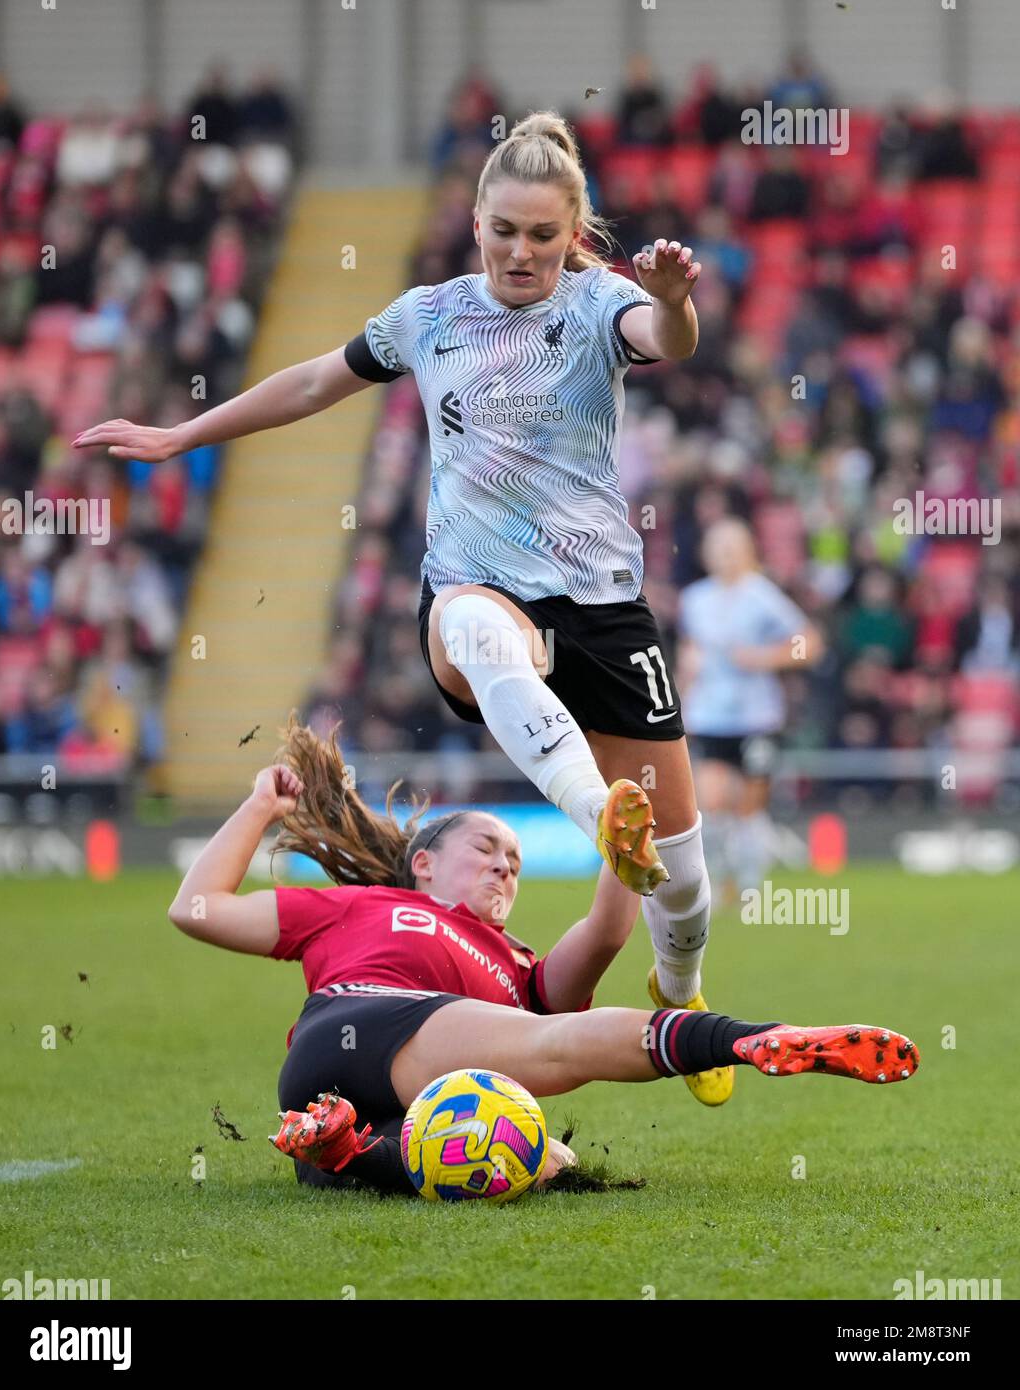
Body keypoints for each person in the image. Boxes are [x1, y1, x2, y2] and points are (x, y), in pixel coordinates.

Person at [76, 108, 725, 1105]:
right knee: (475, 632)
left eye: (542, 235)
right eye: (503, 230)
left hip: (600, 607)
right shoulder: (427, 317)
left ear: (572, 233)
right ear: (475, 222)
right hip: (474, 584)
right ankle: (601, 816)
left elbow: (664, 335)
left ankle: (676, 988)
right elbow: (307, 382)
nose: (520, 251)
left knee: (683, 888)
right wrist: (180, 438)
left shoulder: (601, 305)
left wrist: (675, 301)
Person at [167, 717, 919, 1197]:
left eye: (517, 861)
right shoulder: (361, 906)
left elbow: (601, 934)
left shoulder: (516, 964)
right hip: (364, 1019)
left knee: (531, 1162)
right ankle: (750, 1039)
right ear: (422, 865)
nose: (505, 867)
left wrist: (623, 859)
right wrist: (262, 804)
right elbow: (194, 909)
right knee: (553, 1052)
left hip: (328, 1090)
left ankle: (344, 1149)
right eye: (487, 848)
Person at [677, 519, 825, 903]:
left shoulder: (762, 595)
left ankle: (750, 887)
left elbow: (808, 644)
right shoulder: (695, 599)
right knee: (710, 802)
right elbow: (690, 654)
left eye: (732, 547)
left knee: (749, 807)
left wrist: (764, 658)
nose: (724, 555)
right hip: (709, 716)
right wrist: (683, 696)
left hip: (756, 717)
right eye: (717, 547)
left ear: (748, 551)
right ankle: (718, 882)